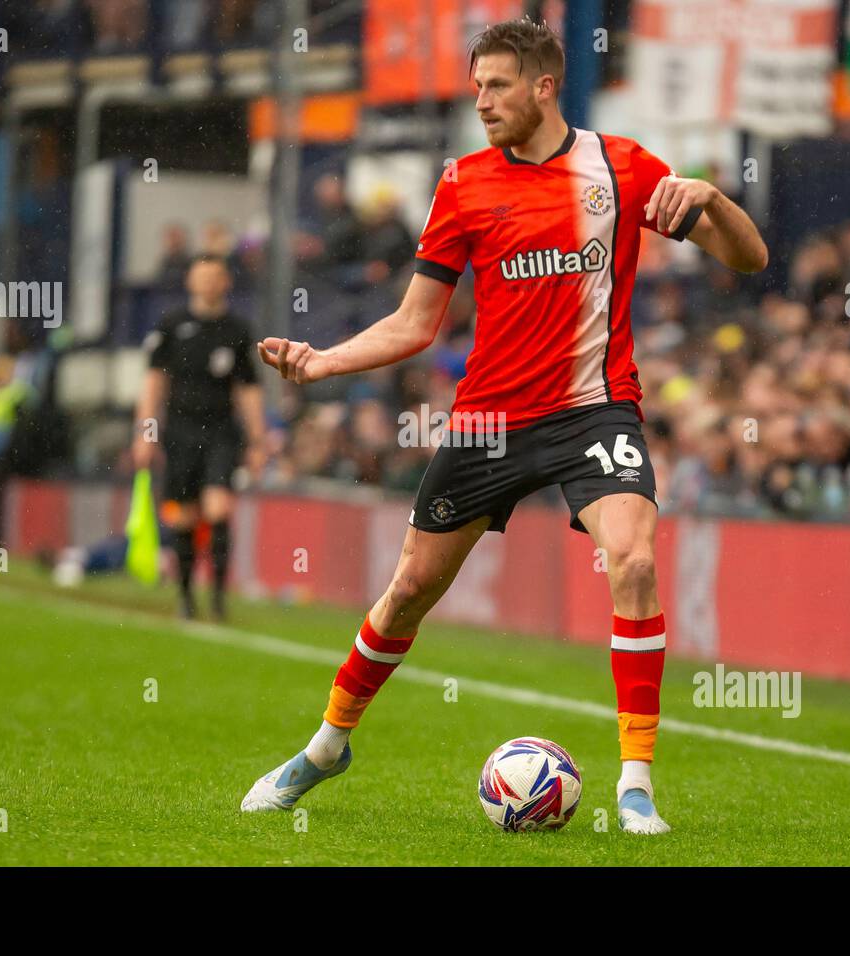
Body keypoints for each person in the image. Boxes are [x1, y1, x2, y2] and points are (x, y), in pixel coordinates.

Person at [240, 17, 767, 835]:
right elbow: (418, 323)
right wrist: (323, 361)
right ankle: (325, 747)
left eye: (496, 85)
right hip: (489, 419)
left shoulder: (624, 168)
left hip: (595, 408)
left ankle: (635, 786)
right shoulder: (463, 185)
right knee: (410, 589)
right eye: (476, 85)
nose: (480, 101)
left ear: (545, 86)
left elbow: (749, 260)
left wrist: (714, 200)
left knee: (630, 560)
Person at [132, 254, 266, 620]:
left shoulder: (237, 330)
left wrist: (257, 440)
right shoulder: (172, 325)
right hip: (180, 431)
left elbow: (248, 389)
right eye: (201, 277)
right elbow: (153, 383)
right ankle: (187, 597)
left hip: (222, 431)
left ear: (226, 283)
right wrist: (145, 433)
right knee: (184, 516)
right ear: (190, 282)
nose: (208, 284)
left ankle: (219, 599)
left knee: (219, 508)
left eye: (215, 277)